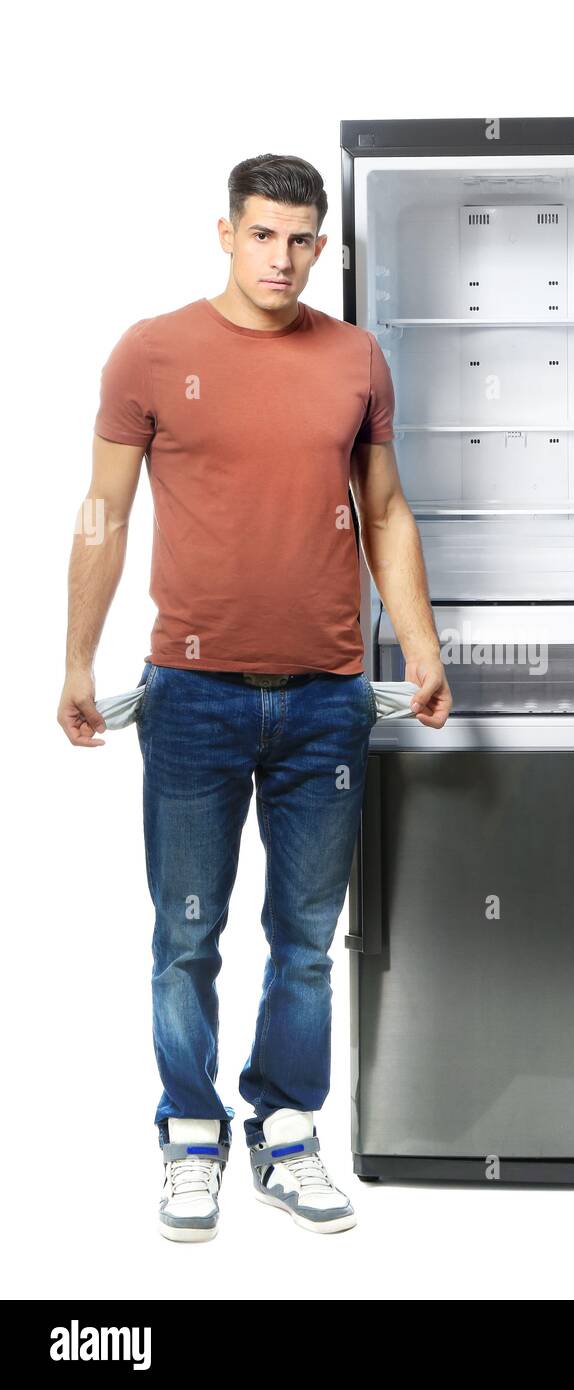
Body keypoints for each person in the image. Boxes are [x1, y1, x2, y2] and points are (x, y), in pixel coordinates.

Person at [58, 153, 452, 1241]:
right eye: (263, 234)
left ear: (321, 244)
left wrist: (419, 644)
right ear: (226, 234)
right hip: (191, 697)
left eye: (302, 239)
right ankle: (192, 1136)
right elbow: (104, 511)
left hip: (327, 699)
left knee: (307, 939)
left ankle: (284, 1130)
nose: (282, 259)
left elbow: (384, 513)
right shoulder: (153, 352)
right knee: (185, 937)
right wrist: (77, 662)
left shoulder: (355, 357)